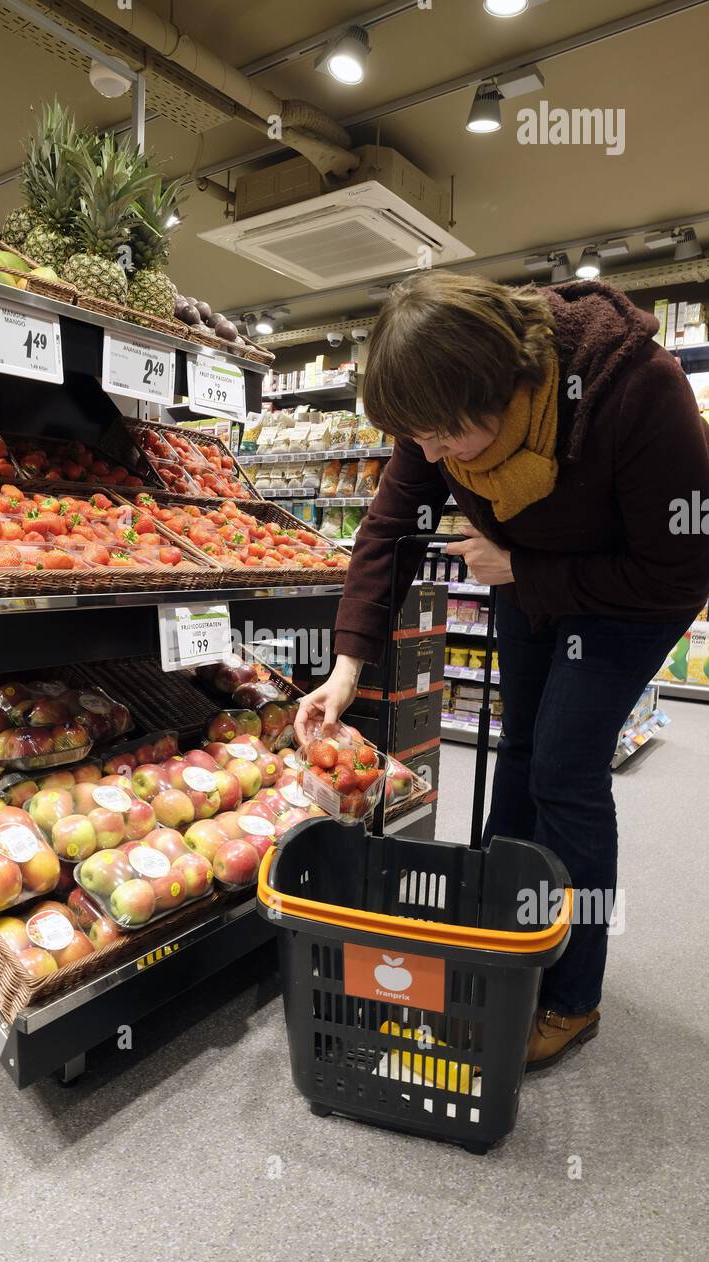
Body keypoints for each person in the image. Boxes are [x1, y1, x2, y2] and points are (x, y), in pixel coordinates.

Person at [296, 271, 709, 1070]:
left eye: (446, 439)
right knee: (517, 748)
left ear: (508, 388)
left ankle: (572, 996)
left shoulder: (637, 392)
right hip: (528, 579)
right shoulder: (439, 407)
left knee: (565, 771)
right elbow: (388, 527)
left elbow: (680, 573)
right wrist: (346, 669)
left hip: (630, 597)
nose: (431, 456)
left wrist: (521, 568)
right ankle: (496, 926)